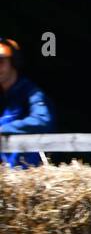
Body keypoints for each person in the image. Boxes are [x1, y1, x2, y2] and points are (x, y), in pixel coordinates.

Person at [0, 39, 53, 169]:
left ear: (14, 63)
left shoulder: (31, 92)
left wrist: (3, 129)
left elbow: (42, 119)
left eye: (1, 62)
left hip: (27, 171)